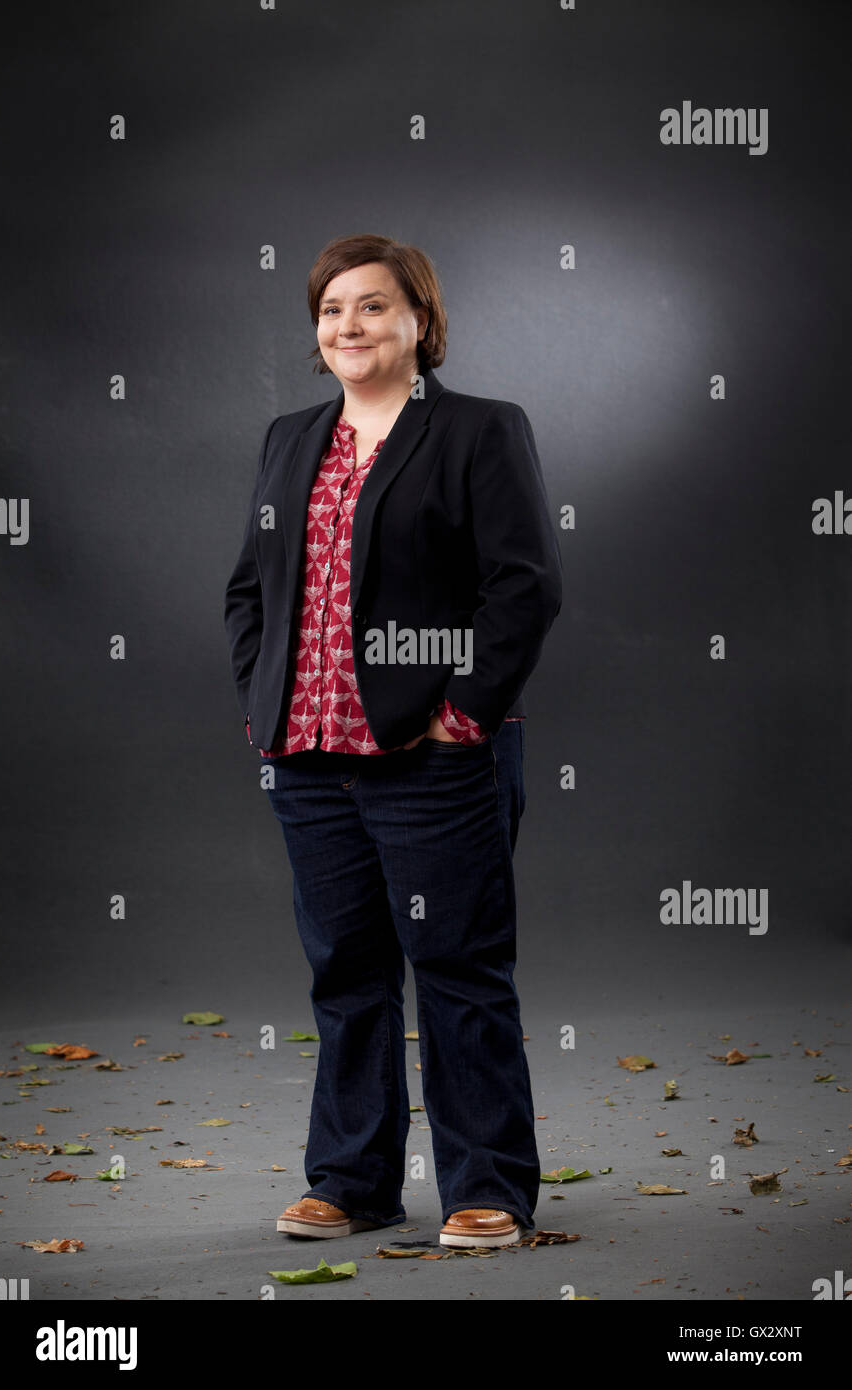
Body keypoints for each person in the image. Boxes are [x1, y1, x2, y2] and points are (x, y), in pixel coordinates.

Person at [224, 233, 562, 1248]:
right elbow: (250, 588)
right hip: (308, 757)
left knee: (456, 967)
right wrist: (263, 703)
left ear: (419, 319)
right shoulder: (291, 438)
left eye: (371, 307)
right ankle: (351, 1179)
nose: (348, 327)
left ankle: (486, 1187)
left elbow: (524, 583)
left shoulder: (476, 430)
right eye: (331, 310)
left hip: (434, 758)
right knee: (345, 971)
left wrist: (462, 711)